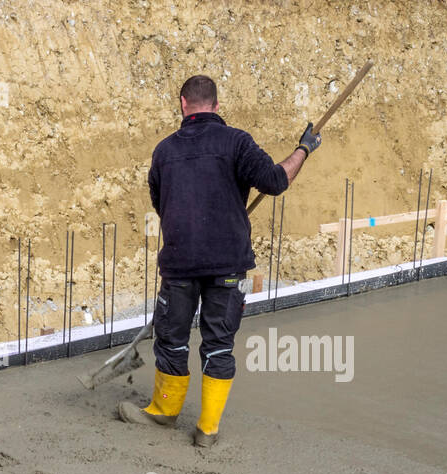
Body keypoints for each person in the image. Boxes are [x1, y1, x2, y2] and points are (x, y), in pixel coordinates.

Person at [119, 75, 321, 445]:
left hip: (180, 263)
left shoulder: (164, 151)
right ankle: (207, 429)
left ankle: (164, 412)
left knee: (172, 339)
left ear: (183, 104)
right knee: (219, 344)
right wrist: (303, 149)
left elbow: (159, 202)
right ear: (216, 105)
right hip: (228, 264)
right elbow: (276, 181)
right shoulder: (236, 142)